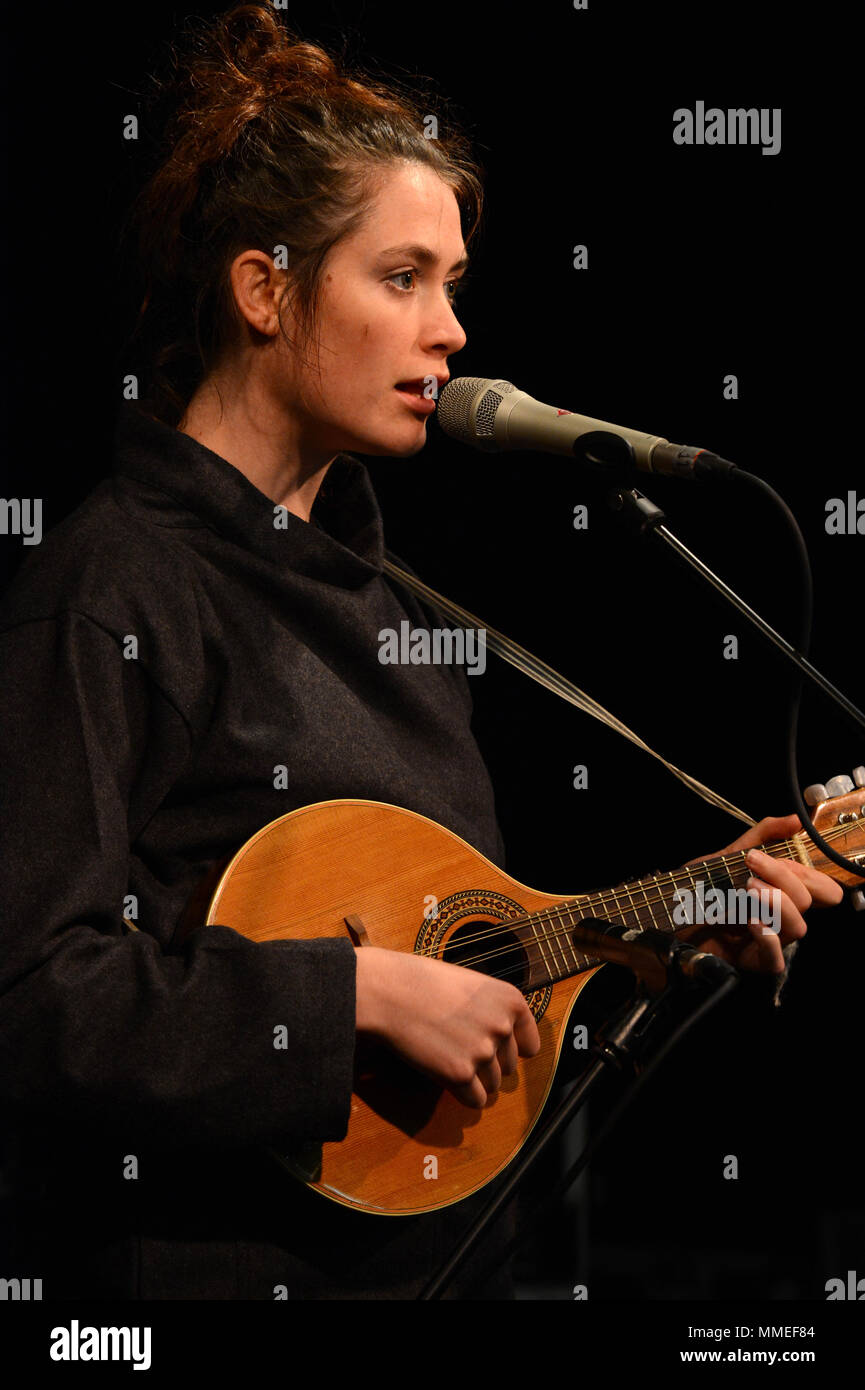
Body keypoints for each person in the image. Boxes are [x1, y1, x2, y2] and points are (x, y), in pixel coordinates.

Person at [0, 3, 843, 1301]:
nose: (449, 331)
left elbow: (479, 963)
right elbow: (35, 1002)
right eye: (401, 278)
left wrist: (686, 912)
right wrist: (348, 1004)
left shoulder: (398, 609)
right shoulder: (114, 587)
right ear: (265, 288)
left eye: (450, 283)